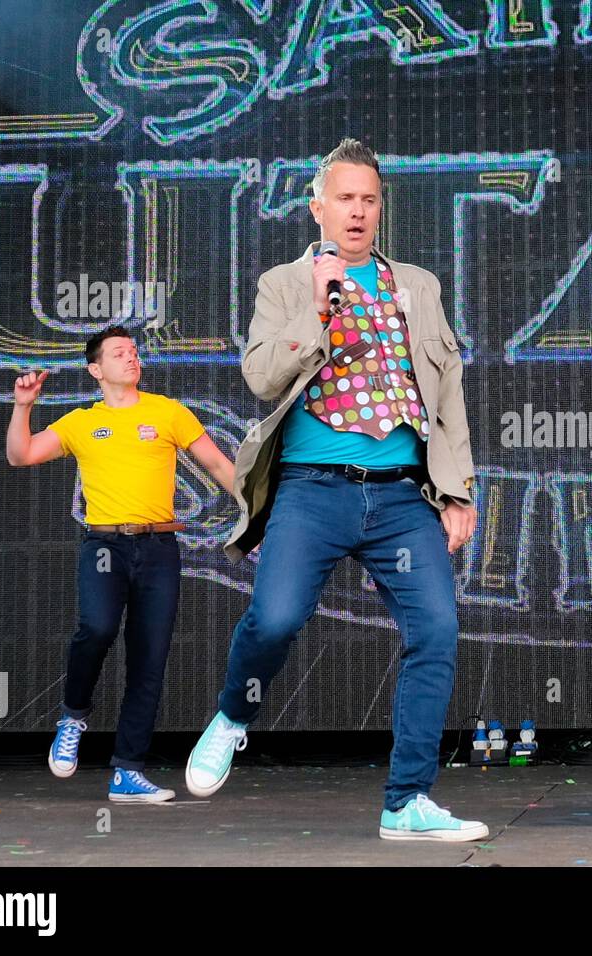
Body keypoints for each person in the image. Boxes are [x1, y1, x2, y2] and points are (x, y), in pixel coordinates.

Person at [185, 139, 487, 842]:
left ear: (381, 208)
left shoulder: (417, 285)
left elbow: (448, 395)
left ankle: (406, 801)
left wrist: (460, 491)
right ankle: (233, 717)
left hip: (401, 496)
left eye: (368, 200)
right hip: (313, 491)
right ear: (318, 207)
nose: (356, 211)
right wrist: (318, 312)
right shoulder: (284, 285)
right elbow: (261, 377)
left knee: (437, 630)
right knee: (277, 619)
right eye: (343, 199)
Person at [6, 325, 235, 802]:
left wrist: (260, 514)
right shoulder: (80, 422)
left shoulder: (168, 412)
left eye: (133, 352)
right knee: (97, 627)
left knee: (149, 658)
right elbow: (21, 454)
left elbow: (217, 465)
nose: (130, 358)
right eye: (118, 353)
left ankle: (127, 771)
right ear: (96, 369)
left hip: (159, 549)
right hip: (105, 546)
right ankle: (73, 716)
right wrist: (24, 406)